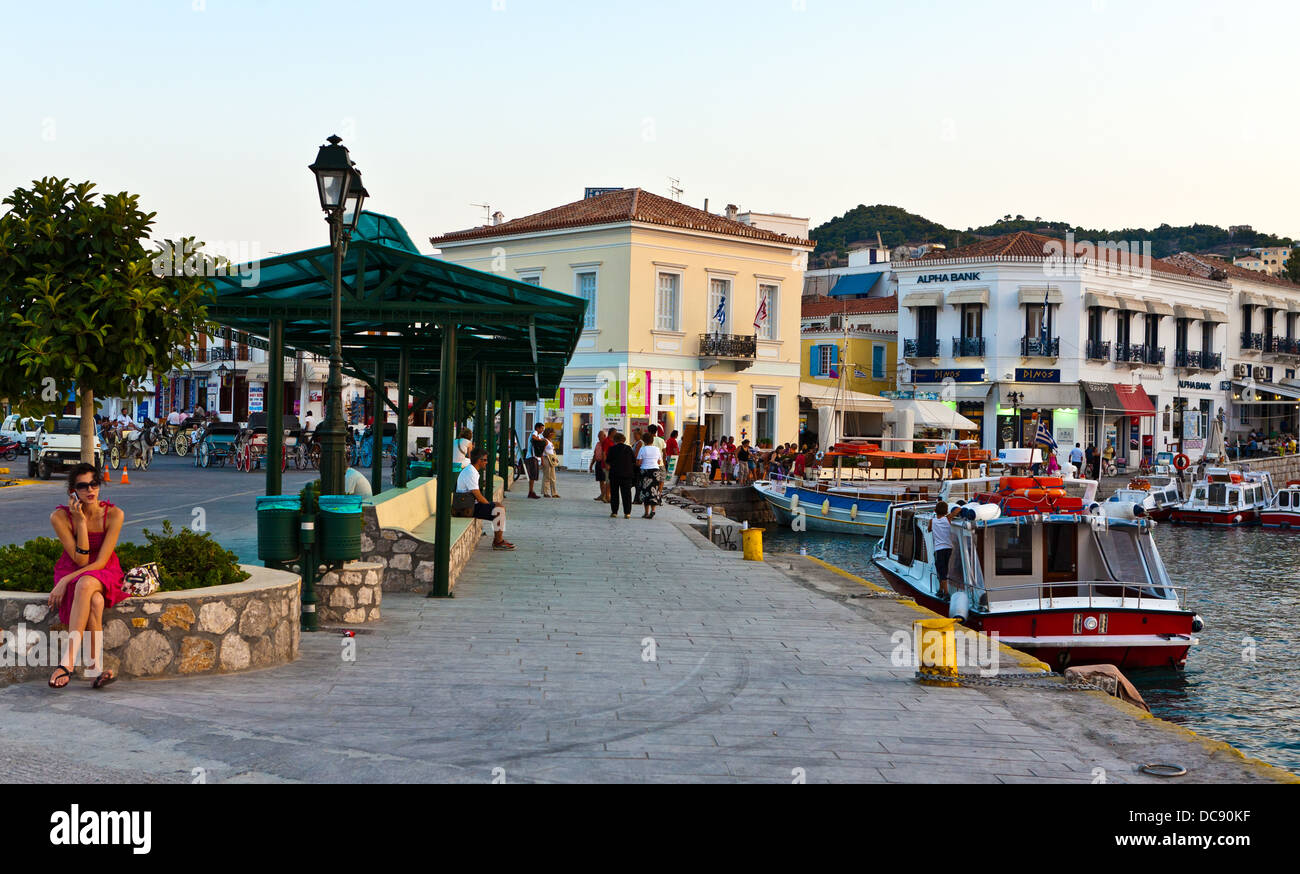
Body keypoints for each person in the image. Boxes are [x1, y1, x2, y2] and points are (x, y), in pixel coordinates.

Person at [47, 463, 126, 689]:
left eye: (94, 483)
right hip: (73, 568)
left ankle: (67, 662)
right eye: (82, 486)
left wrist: (65, 581)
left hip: (103, 570)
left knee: (86, 583)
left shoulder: (114, 514)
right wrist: (80, 522)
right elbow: (81, 560)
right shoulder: (60, 517)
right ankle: (94, 670)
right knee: (96, 600)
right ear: (73, 490)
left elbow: (99, 562)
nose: (90, 490)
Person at [456, 448, 514, 550]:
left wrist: (491, 505)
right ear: (479, 460)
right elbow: (477, 495)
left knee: (498, 507)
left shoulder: (471, 470)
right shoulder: (470, 472)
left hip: (469, 504)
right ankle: (498, 542)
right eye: (485, 460)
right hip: (465, 508)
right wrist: (489, 505)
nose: (487, 462)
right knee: (499, 510)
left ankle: (498, 540)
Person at [605, 432, 637, 518]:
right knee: (626, 494)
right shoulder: (629, 449)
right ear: (623, 440)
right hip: (627, 475)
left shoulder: (612, 449)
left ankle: (614, 512)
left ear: (615, 440)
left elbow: (608, 461)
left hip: (615, 474)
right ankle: (627, 513)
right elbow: (634, 461)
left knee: (614, 494)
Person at [929, 500, 957, 595]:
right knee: (944, 569)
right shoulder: (948, 519)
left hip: (939, 549)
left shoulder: (932, 521)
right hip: (949, 548)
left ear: (935, 510)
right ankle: (941, 590)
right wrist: (950, 514)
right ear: (946, 511)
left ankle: (946, 593)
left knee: (941, 571)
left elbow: (929, 529)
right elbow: (958, 509)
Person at [635, 431, 664, 518]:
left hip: (645, 471)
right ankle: (653, 510)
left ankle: (646, 512)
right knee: (654, 490)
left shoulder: (642, 449)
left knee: (645, 491)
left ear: (644, 441)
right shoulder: (657, 449)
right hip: (655, 471)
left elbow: (639, 462)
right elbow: (659, 461)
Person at [526, 423, 546, 498]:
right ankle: (531, 492)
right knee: (532, 475)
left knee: (533, 476)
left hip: (534, 457)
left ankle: (531, 491)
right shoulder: (534, 432)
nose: (542, 431)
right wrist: (541, 439)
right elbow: (534, 437)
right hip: (531, 456)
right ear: (537, 428)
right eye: (541, 429)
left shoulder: (539, 435)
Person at [591, 429, 609, 503]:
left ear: (604, 436)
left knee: (605, 480)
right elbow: (595, 454)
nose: (599, 438)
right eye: (598, 437)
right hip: (598, 463)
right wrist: (591, 464)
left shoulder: (606, 443)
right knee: (600, 480)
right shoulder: (598, 444)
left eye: (600, 437)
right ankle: (602, 494)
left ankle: (605, 495)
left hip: (604, 463)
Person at [541, 427, 559, 497]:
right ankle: (546, 492)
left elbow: (552, 451)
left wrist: (556, 458)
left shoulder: (550, 440)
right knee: (547, 476)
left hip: (551, 459)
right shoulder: (544, 441)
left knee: (553, 477)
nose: (554, 434)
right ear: (549, 433)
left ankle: (554, 493)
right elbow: (541, 451)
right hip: (546, 458)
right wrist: (542, 460)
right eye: (553, 433)